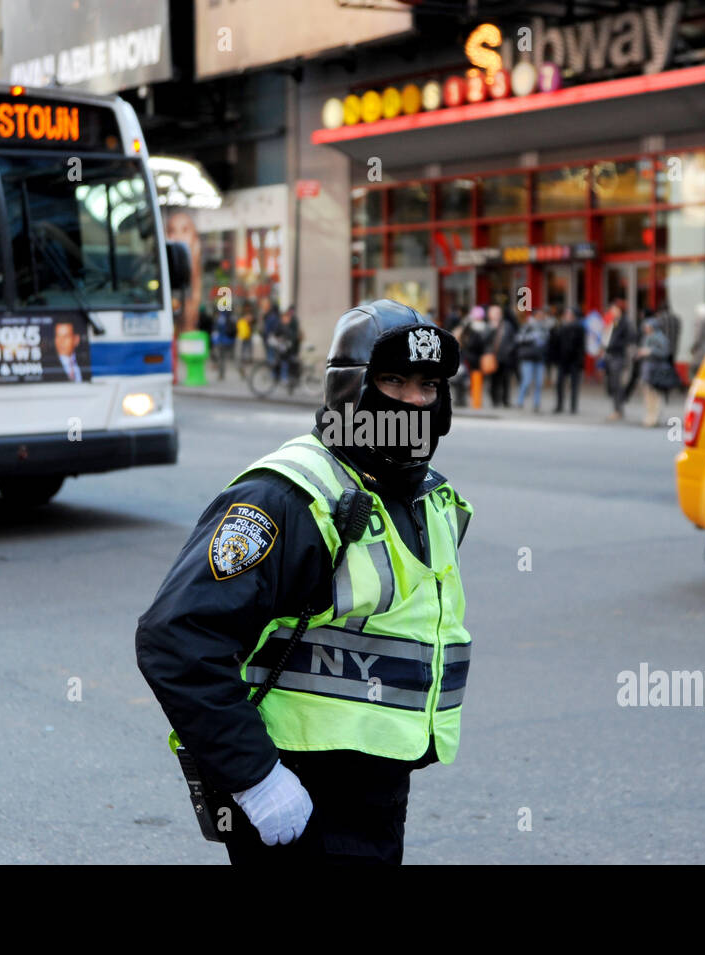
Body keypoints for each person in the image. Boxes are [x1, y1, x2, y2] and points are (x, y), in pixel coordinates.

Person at [135, 299, 474, 866]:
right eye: (393, 380)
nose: (415, 402)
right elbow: (175, 637)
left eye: (428, 385)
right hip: (298, 791)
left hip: (377, 788)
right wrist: (256, 779)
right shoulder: (291, 495)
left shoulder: (424, 495)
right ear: (350, 389)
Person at [637, 317, 674, 428]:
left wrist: (650, 351)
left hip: (656, 369)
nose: (646, 329)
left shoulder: (660, 338)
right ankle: (649, 415)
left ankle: (654, 417)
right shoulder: (646, 337)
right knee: (647, 394)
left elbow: (665, 352)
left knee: (655, 395)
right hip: (647, 369)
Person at [602, 302, 636, 421]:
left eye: (614, 309)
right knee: (613, 384)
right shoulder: (615, 322)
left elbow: (630, 338)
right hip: (611, 355)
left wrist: (618, 345)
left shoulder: (625, 322)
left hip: (619, 356)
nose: (612, 311)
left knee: (617, 384)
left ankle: (618, 410)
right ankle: (617, 409)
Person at [550, 307, 586, 414]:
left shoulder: (579, 328)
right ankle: (559, 405)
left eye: (570, 314)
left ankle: (573, 407)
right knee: (559, 384)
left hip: (574, 361)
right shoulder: (560, 327)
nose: (568, 316)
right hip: (562, 360)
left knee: (574, 385)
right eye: (567, 314)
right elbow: (555, 343)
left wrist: (580, 360)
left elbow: (581, 346)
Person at [513, 310, 549, 412]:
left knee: (539, 382)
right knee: (527, 380)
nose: (540, 317)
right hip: (528, 357)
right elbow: (518, 338)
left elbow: (547, 341)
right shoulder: (527, 326)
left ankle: (536, 404)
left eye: (542, 315)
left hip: (540, 358)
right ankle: (519, 401)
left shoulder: (544, 327)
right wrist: (532, 337)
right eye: (539, 315)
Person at [484, 304, 515, 409]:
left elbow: (512, 339)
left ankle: (505, 400)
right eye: (494, 313)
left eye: (498, 313)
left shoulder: (507, 325)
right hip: (492, 357)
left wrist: (509, 350)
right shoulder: (488, 326)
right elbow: (484, 340)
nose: (496, 315)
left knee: (505, 380)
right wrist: (492, 329)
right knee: (494, 380)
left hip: (505, 357)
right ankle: (494, 400)